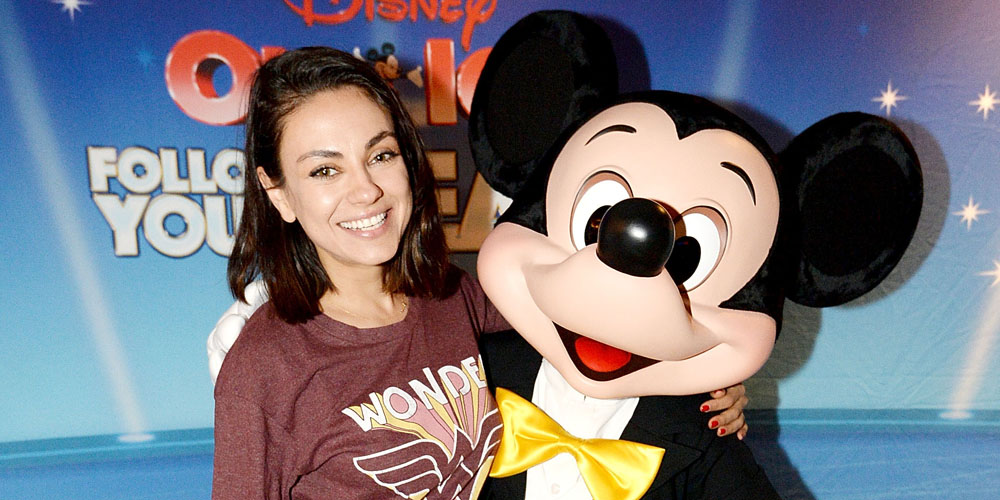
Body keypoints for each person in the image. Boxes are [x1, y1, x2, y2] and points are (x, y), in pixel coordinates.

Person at [211, 46, 749, 499]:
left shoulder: (447, 295)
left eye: (380, 156)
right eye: (325, 169)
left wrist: (708, 378)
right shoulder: (264, 367)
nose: (366, 191)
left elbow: (597, 321)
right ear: (278, 192)